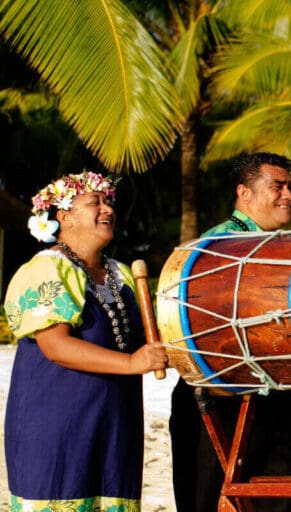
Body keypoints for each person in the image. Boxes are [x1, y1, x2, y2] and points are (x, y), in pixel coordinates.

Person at [3, 170, 169, 510]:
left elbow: (143, 337)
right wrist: (133, 363)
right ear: (64, 217)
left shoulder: (121, 274)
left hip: (115, 425)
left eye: (109, 202)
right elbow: (56, 346)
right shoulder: (47, 269)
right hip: (59, 426)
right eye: (94, 202)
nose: (107, 209)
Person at [170, 152, 291, 512]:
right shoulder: (214, 248)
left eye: (290, 186)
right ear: (244, 194)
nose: (288, 195)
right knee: (209, 499)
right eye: (277, 186)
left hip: (271, 392)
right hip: (216, 393)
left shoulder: (283, 249)